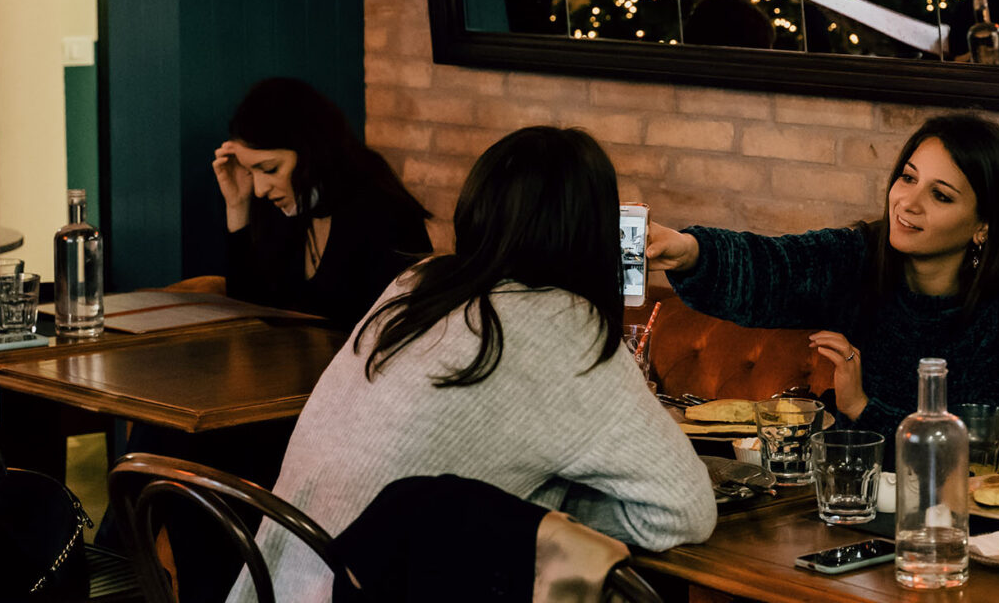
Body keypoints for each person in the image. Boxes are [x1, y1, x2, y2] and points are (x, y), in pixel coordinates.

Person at [228, 127, 717, 603]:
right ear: (592, 232)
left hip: (273, 582)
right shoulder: (565, 324)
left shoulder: (415, 285)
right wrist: (541, 512)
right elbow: (683, 512)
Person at [647, 114, 999, 471]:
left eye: (940, 195)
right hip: (847, 506)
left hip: (966, 537)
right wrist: (689, 252)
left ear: (983, 227)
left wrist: (863, 408)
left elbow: (989, 463)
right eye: (908, 178)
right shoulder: (862, 257)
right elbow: (775, 266)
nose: (907, 203)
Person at [213, 78, 433, 330]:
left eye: (270, 169)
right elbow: (249, 315)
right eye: (251, 172)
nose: (261, 190)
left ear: (311, 150)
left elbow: (396, 330)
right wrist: (238, 206)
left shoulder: (384, 214)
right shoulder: (283, 206)